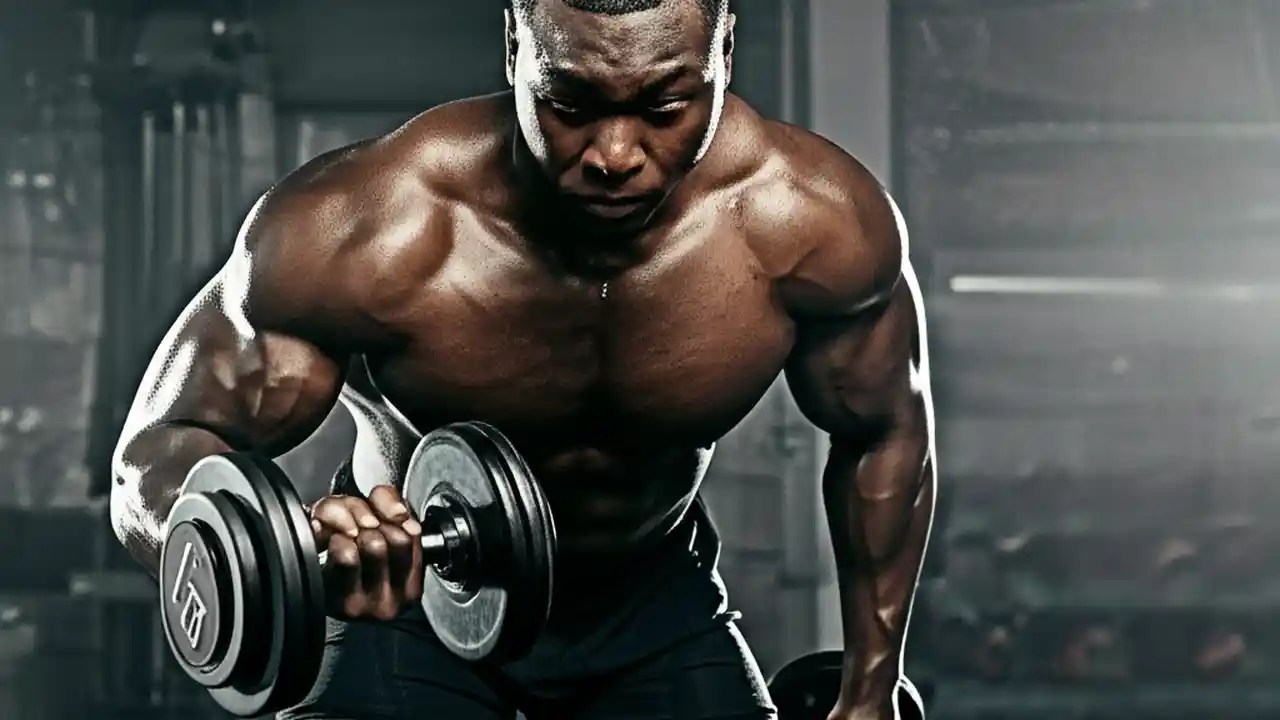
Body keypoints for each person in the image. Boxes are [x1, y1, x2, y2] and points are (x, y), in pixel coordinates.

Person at [109, 1, 936, 718]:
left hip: (650, 598)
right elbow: (155, 455)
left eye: (666, 104)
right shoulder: (361, 229)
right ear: (515, 47)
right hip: (409, 610)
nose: (614, 152)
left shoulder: (819, 224)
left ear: (724, 53)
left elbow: (885, 435)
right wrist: (292, 549)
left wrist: (869, 687)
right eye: (570, 102)